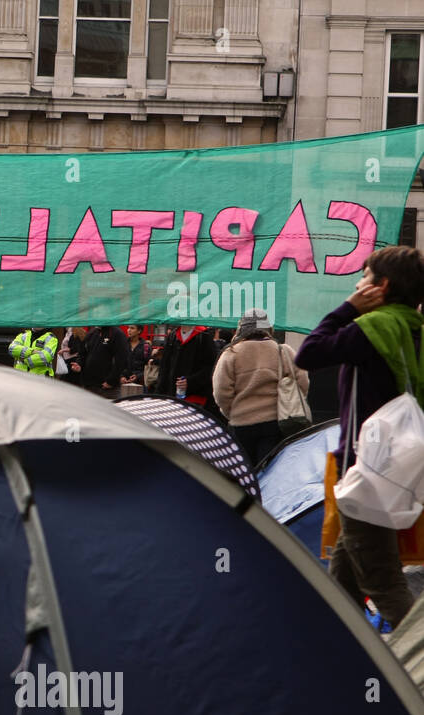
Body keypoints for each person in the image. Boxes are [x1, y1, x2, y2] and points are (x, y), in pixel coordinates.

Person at [295, 245, 424, 629]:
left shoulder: (373, 327)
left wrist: (349, 308)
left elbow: (309, 353)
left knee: (382, 578)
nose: (357, 283)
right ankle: (341, 653)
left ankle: (416, 668)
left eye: (364, 277)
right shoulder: (414, 330)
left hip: (365, 469)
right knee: (345, 578)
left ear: (380, 286)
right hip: (401, 466)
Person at [211, 308, 308, 466]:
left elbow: (221, 393)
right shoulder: (284, 351)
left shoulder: (231, 353)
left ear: (242, 329)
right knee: (268, 471)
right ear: (268, 328)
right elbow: (302, 383)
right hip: (275, 422)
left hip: (241, 424)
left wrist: (233, 412)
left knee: (246, 472)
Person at [155, 323, 220, 414]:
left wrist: (190, 382)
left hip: (195, 398)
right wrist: (159, 394)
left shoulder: (204, 335)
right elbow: (164, 367)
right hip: (172, 396)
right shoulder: (173, 335)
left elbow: (211, 367)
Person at [79, 325, 130, 396]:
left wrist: (111, 381)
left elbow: (121, 359)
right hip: (89, 385)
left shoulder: (117, 333)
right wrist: (79, 364)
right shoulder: (92, 333)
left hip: (106, 387)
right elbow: (83, 353)